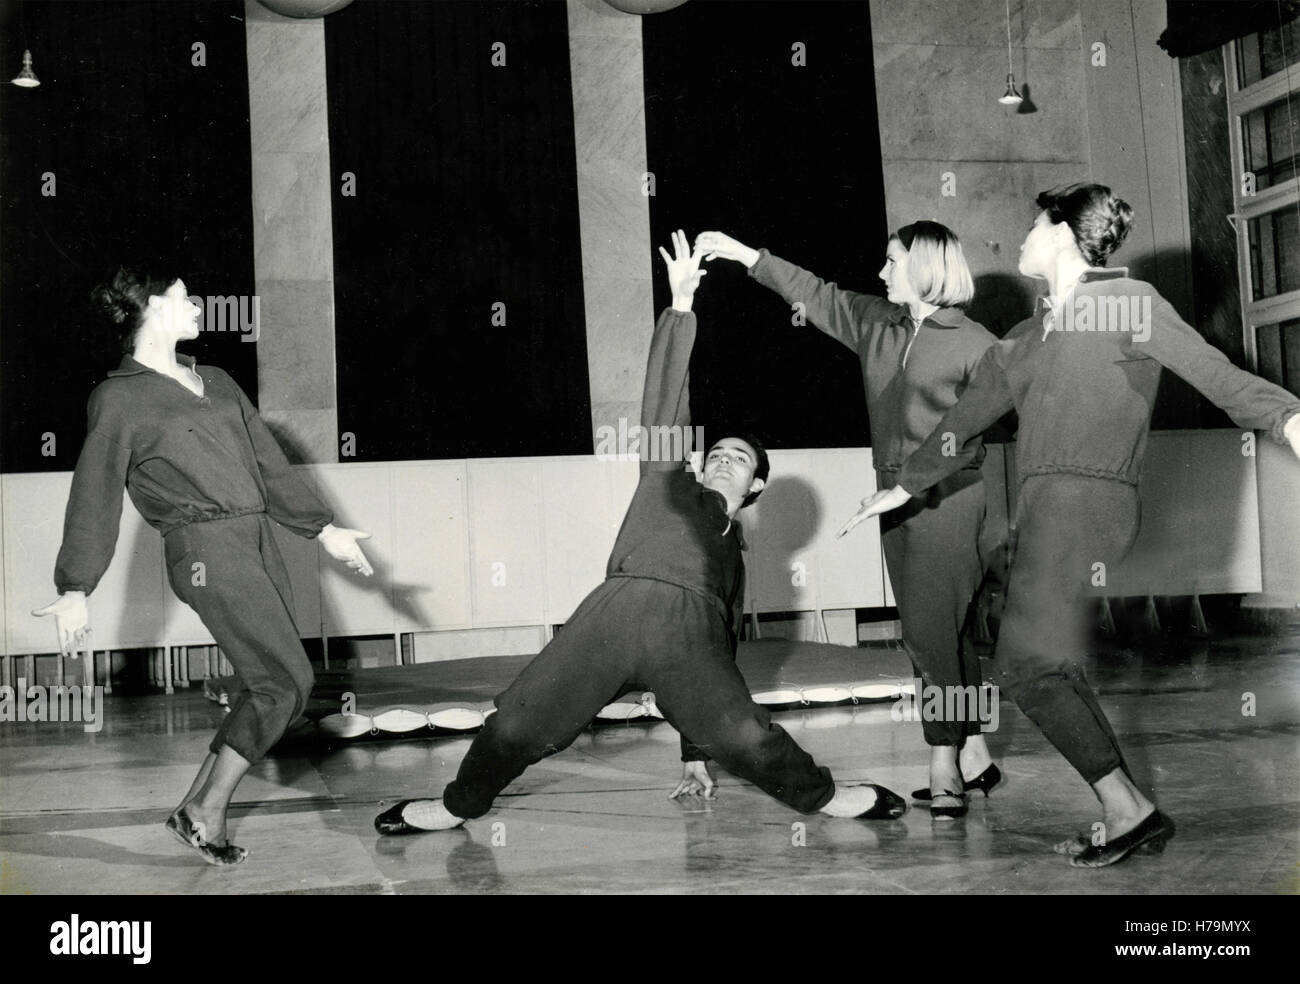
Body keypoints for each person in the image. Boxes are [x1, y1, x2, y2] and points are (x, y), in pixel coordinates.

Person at [374, 231, 906, 835]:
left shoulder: (734, 558)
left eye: (741, 459)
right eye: (718, 452)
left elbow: (720, 652)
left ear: (756, 486)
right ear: (700, 463)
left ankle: (826, 797)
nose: (725, 459)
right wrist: (681, 309)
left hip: (689, 631)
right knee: (514, 725)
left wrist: (696, 755)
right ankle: (454, 807)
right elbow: (664, 404)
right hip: (613, 612)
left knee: (748, 736)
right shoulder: (666, 480)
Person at [840, 183, 1300, 867]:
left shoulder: (1126, 302)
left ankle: (1129, 809)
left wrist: (1287, 417)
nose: (1020, 237)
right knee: (1034, 667)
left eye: (1032, 224)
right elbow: (959, 425)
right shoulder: (1023, 340)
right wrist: (902, 487)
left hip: (1093, 500)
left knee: (1027, 665)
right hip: (1045, 506)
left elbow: (1214, 372)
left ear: (1059, 231)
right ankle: (1126, 809)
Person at [36, 267, 374, 866]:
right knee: (285, 683)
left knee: (270, 685)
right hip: (202, 547)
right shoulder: (117, 397)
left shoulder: (214, 379)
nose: (196, 303)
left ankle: (193, 808)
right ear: (150, 311)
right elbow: (95, 491)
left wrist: (322, 529)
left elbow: (270, 466)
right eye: (182, 297)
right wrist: (75, 585)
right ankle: (208, 808)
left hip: (256, 537)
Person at [695, 223, 1000, 819]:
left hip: (950, 499)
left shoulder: (976, 342)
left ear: (928, 267)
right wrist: (744, 255)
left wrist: (911, 483)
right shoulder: (877, 323)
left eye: (892, 262)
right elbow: (813, 292)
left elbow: (965, 439)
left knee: (926, 634)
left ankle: (943, 759)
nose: (882, 273)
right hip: (893, 501)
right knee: (948, 631)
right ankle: (978, 752)